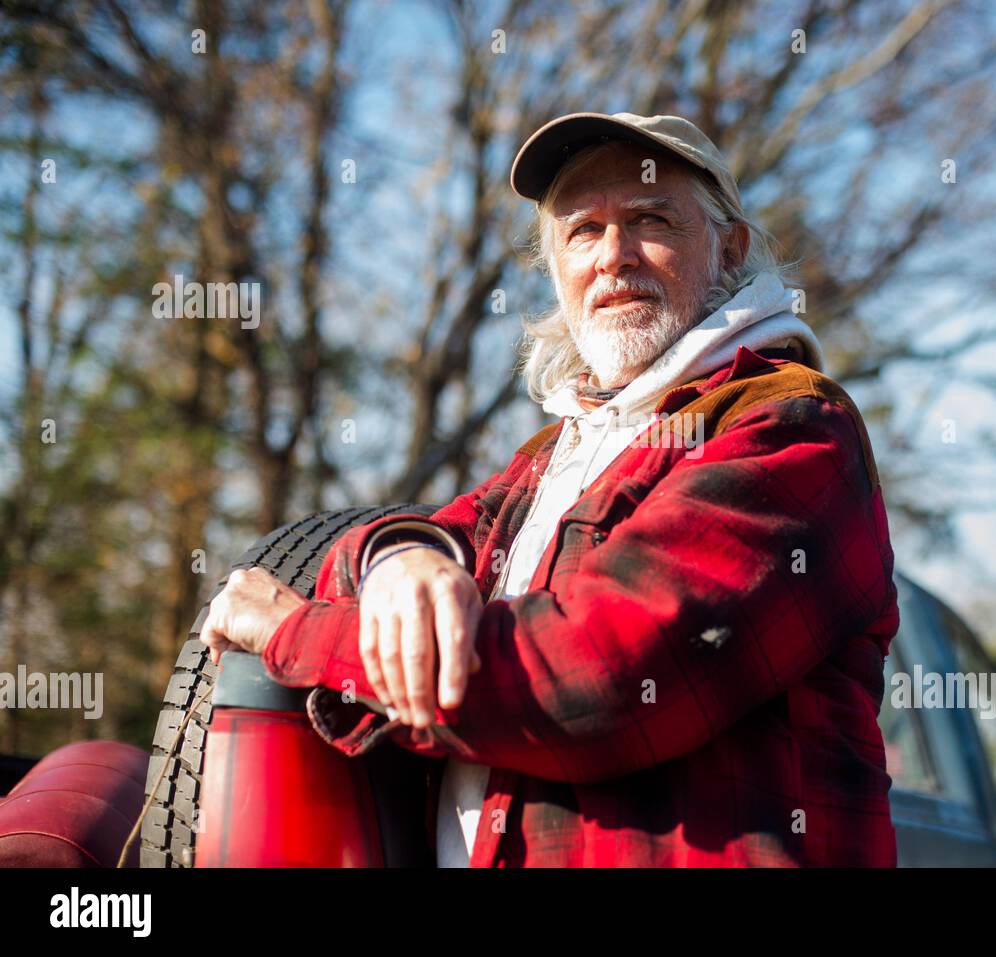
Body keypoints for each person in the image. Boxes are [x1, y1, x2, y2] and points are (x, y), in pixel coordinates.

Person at [199, 111, 900, 867]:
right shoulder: (549, 457)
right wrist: (404, 556)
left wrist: (294, 636)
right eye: (581, 231)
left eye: (649, 218)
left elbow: (595, 680)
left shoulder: (789, 425)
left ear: (728, 248)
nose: (614, 256)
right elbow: (357, 566)